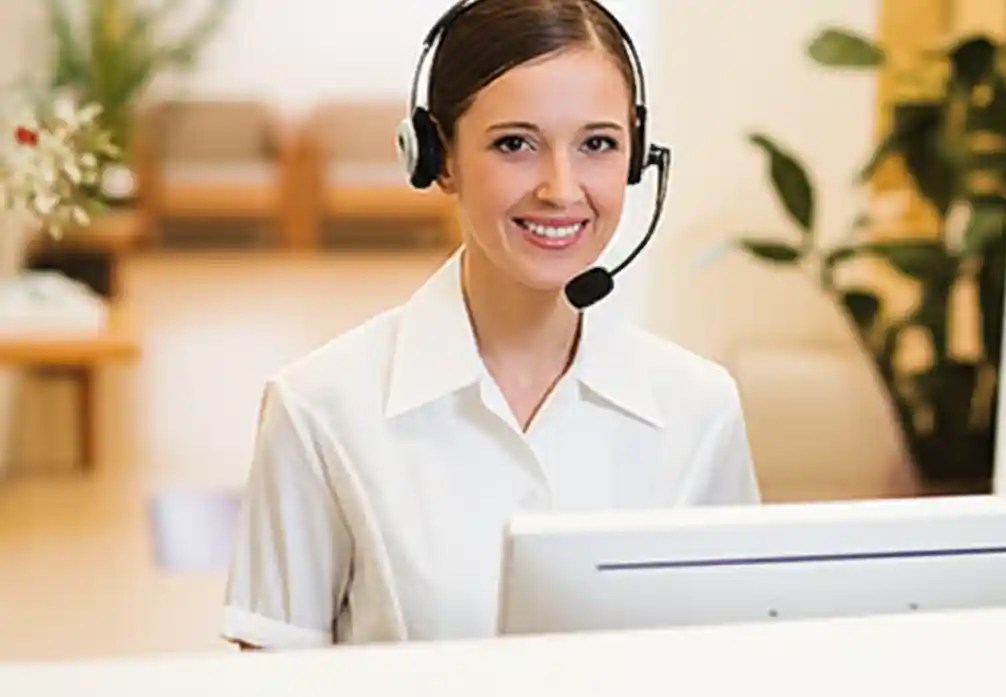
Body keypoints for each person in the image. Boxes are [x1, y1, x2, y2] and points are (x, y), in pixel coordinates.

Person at [221, 0, 761, 651]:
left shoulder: (700, 410)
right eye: (515, 144)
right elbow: (274, 693)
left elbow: (728, 665)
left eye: (597, 144)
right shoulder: (318, 409)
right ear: (435, 157)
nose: (562, 189)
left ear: (637, 158)